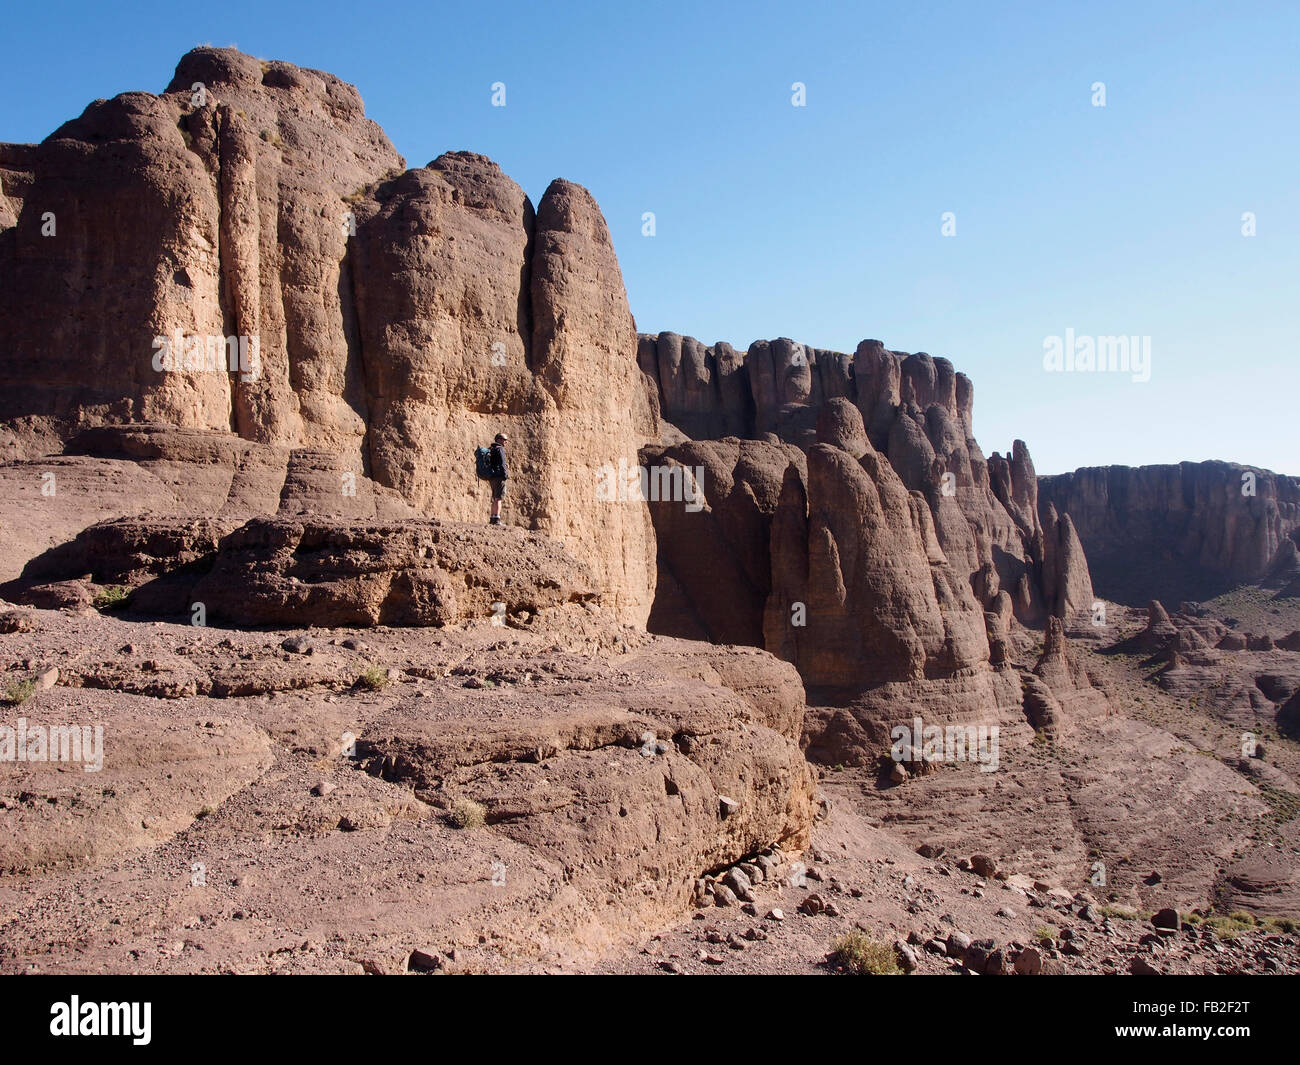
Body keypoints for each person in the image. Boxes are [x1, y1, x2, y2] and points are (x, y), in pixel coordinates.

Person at [488, 432, 508, 524]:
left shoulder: (492, 449)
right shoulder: (500, 449)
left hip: (492, 476)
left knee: (495, 498)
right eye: (504, 439)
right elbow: (502, 463)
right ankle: (496, 519)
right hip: (499, 476)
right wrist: (505, 474)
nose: (506, 442)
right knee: (499, 498)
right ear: (499, 440)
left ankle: (492, 518)